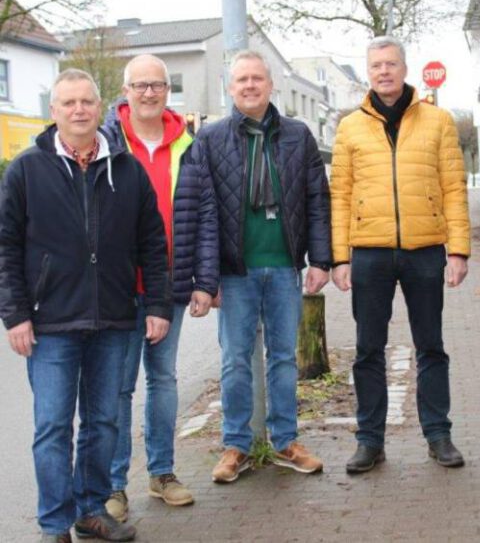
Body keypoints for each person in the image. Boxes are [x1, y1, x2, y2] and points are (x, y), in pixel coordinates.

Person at [0, 69, 172, 543]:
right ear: (53, 111)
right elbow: (6, 247)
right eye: (68, 103)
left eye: (86, 102)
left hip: (116, 318)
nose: (78, 110)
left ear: (101, 108)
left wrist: (157, 305)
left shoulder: (127, 168)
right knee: (53, 427)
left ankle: (91, 510)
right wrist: (15, 315)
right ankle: (55, 523)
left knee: (103, 422)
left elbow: (152, 244)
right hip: (50, 322)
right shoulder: (26, 170)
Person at [183, 50, 332, 483]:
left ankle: (285, 440)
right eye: (242, 79)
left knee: (285, 358)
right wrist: (205, 277)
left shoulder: (299, 136)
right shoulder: (210, 140)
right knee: (234, 360)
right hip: (235, 272)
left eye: (257, 78)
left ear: (271, 85)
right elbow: (199, 212)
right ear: (230, 87)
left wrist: (319, 259)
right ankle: (236, 445)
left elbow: (316, 201)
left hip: (285, 266)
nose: (250, 85)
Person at [331, 36, 470, 473]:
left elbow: (453, 187)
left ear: (404, 68)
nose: (384, 72)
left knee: (431, 345)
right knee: (368, 348)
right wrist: (340, 257)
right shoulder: (350, 126)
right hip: (369, 253)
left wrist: (459, 249)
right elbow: (340, 195)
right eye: (376, 66)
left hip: (425, 249)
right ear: (368, 72)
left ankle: (438, 434)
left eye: (391, 64)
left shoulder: (438, 121)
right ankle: (370, 440)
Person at [101, 54, 219, 521]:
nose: (149, 93)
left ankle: (163, 473)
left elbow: (207, 217)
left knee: (164, 381)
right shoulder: (107, 142)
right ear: (125, 90)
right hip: (117, 289)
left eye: (157, 85)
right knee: (117, 389)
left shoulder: (190, 144)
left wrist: (205, 281)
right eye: (140, 85)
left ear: (168, 91)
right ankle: (113, 485)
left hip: (168, 285)